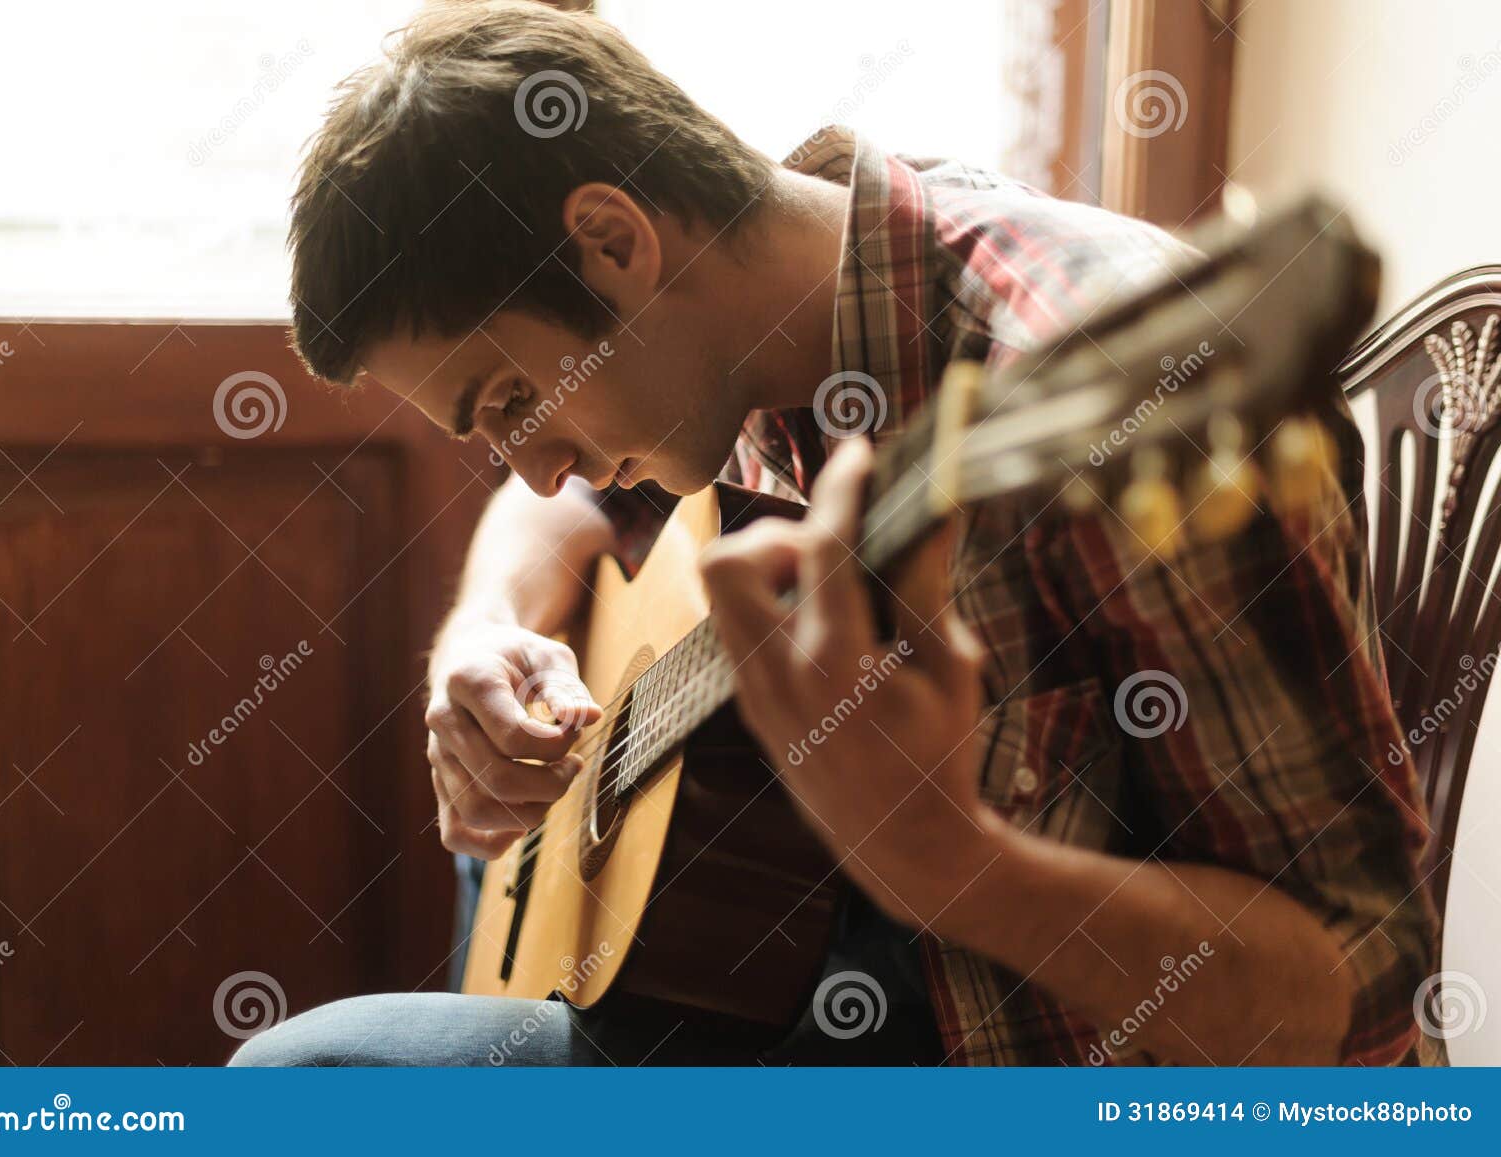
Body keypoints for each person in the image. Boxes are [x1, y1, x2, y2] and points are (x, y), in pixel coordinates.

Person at [231, 0, 1436, 1066]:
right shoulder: (767, 314)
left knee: (298, 1085)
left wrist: (949, 857)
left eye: (510, 404)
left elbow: (1367, 1005)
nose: (534, 471)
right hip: (792, 987)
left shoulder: (1113, 381)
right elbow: (569, 507)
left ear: (611, 240)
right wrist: (479, 636)